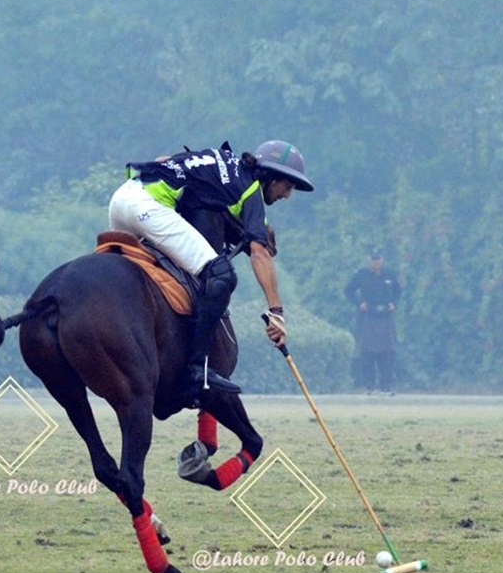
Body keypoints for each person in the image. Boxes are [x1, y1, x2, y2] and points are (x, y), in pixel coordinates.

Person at [108, 140, 314, 393]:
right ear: (271, 177)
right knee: (221, 276)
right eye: (287, 185)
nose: (287, 194)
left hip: (122, 199)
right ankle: (197, 369)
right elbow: (259, 253)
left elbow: (163, 158)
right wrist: (276, 311)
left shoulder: (219, 161)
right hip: (148, 208)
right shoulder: (249, 189)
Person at [344, 251, 401, 393]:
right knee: (367, 352)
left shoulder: (390, 274)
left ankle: (386, 386)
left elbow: (398, 291)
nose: (376, 262)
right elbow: (348, 290)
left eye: (378, 259)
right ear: (369, 260)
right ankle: (369, 386)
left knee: (387, 352)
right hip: (368, 318)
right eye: (373, 259)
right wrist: (359, 303)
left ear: (383, 260)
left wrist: (394, 303)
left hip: (385, 318)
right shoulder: (361, 275)